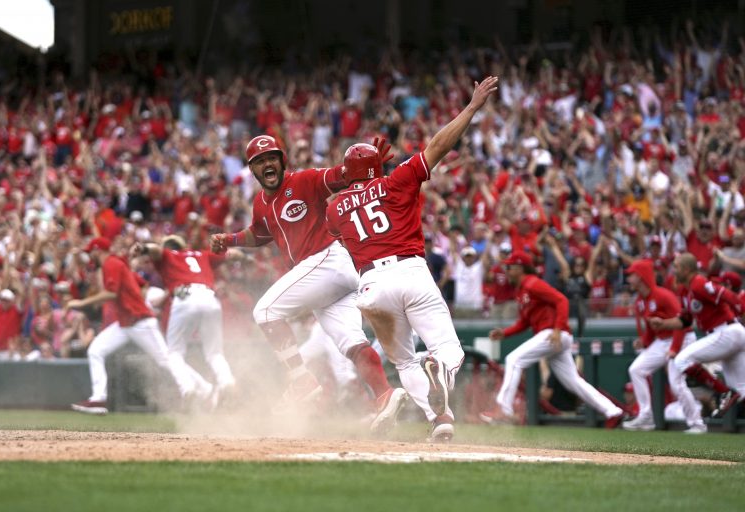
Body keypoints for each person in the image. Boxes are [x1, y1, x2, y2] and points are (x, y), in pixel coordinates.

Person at [325, 76, 500, 441]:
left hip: (371, 286)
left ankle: (441, 421)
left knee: (404, 361)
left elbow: (355, 204)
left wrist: (370, 173)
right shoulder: (396, 180)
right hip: (409, 270)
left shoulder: (334, 208)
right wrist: (471, 107)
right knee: (448, 351)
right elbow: (437, 146)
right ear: (379, 168)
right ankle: (441, 372)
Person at [210, 134, 403, 431]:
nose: (267, 164)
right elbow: (260, 234)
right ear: (253, 170)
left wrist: (369, 165)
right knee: (351, 342)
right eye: (259, 161)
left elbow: (341, 175)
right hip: (328, 277)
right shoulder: (261, 202)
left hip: (327, 259)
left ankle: (301, 380)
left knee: (265, 312)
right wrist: (230, 239)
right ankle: (384, 395)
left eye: (271, 157)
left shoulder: (304, 180)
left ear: (282, 160)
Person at [67, 237, 204, 415]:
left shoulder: (111, 263)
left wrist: (80, 303)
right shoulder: (116, 264)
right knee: (96, 350)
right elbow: (140, 284)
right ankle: (98, 399)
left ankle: (202, 389)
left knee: (165, 359)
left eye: (91, 251)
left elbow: (110, 293)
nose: (90, 255)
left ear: (97, 250)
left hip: (140, 321)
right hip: (125, 323)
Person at [488, 251, 624, 425]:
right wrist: (505, 333)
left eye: (509, 267)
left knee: (513, 360)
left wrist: (558, 329)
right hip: (554, 337)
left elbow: (562, 300)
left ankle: (503, 408)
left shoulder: (532, 283)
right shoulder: (521, 289)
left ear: (520, 268)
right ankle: (613, 411)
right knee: (573, 382)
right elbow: (524, 322)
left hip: (553, 334)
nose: (506, 270)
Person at [130, 234, 236, 403]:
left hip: (185, 297)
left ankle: (187, 387)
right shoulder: (202, 255)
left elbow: (156, 251)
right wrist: (245, 257)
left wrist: (143, 248)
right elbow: (232, 254)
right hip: (210, 298)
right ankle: (227, 381)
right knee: (215, 352)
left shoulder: (169, 255)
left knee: (174, 354)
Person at [649, 253, 745, 418]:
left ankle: (723, 392)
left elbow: (726, 294)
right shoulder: (687, 290)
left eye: (677, 267)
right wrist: (663, 324)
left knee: (682, 360)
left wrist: (740, 308)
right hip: (728, 335)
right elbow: (684, 321)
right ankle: (727, 393)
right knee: (742, 391)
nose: (674, 270)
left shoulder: (698, 283)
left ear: (686, 269)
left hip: (726, 332)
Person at [621, 259, 706, 433]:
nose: (629, 279)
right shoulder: (640, 301)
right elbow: (653, 329)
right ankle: (646, 416)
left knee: (676, 383)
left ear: (642, 276)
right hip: (662, 341)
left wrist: (675, 348)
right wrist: (644, 341)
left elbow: (681, 323)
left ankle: (697, 423)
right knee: (636, 369)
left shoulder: (663, 295)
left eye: (632, 275)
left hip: (683, 338)